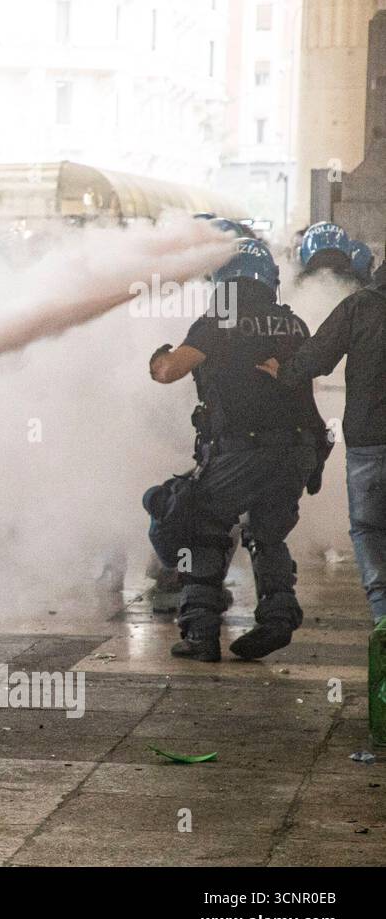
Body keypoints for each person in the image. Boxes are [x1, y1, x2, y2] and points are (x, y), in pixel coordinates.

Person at [146, 237, 327, 662]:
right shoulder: (293, 323)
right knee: (268, 534)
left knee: (203, 528)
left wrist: (160, 355)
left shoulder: (219, 320)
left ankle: (201, 632)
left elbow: (169, 372)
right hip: (297, 448)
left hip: (241, 450)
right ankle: (279, 618)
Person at [260, 251, 386, 631]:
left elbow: (318, 357)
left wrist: (283, 373)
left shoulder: (360, 307)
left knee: (367, 528)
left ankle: (383, 614)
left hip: (368, 439)